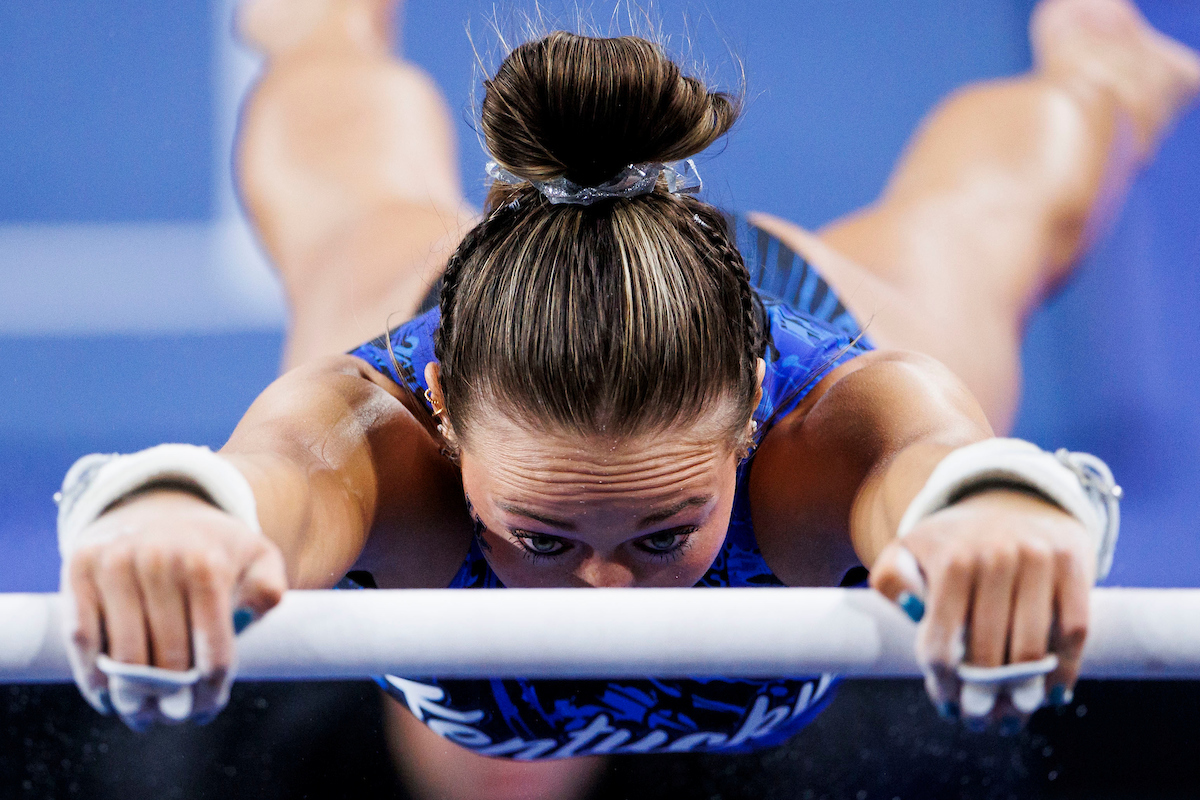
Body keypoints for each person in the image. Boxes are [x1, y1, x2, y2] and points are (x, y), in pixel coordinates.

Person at [52, 0, 1198, 798]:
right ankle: (317, 20)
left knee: (989, 231)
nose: (601, 590)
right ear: (442, 414)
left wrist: (992, 514)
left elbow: (944, 462)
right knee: (342, 189)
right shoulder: (382, 447)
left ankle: (1103, 72)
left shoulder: (829, 441)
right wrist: (174, 521)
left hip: (745, 323)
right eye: (542, 535)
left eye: (661, 531)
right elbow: (255, 487)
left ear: (754, 415)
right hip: (516, 338)